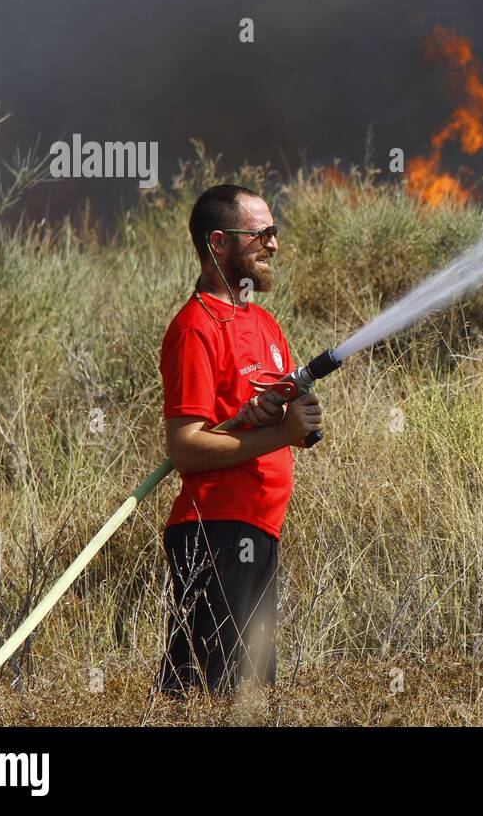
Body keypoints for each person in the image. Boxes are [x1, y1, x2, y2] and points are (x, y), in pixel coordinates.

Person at [154, 183, 322, 696]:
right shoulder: (194, 329)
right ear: (220, 243)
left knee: (245, 694)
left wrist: (295, 419)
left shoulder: (266, 325)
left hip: (260, 530)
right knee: (211, 693)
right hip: (215, 533)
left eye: (275, 233)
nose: (274, 245)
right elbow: (185, 447)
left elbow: (284, 421)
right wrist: (279, 436)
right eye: (262, 234)